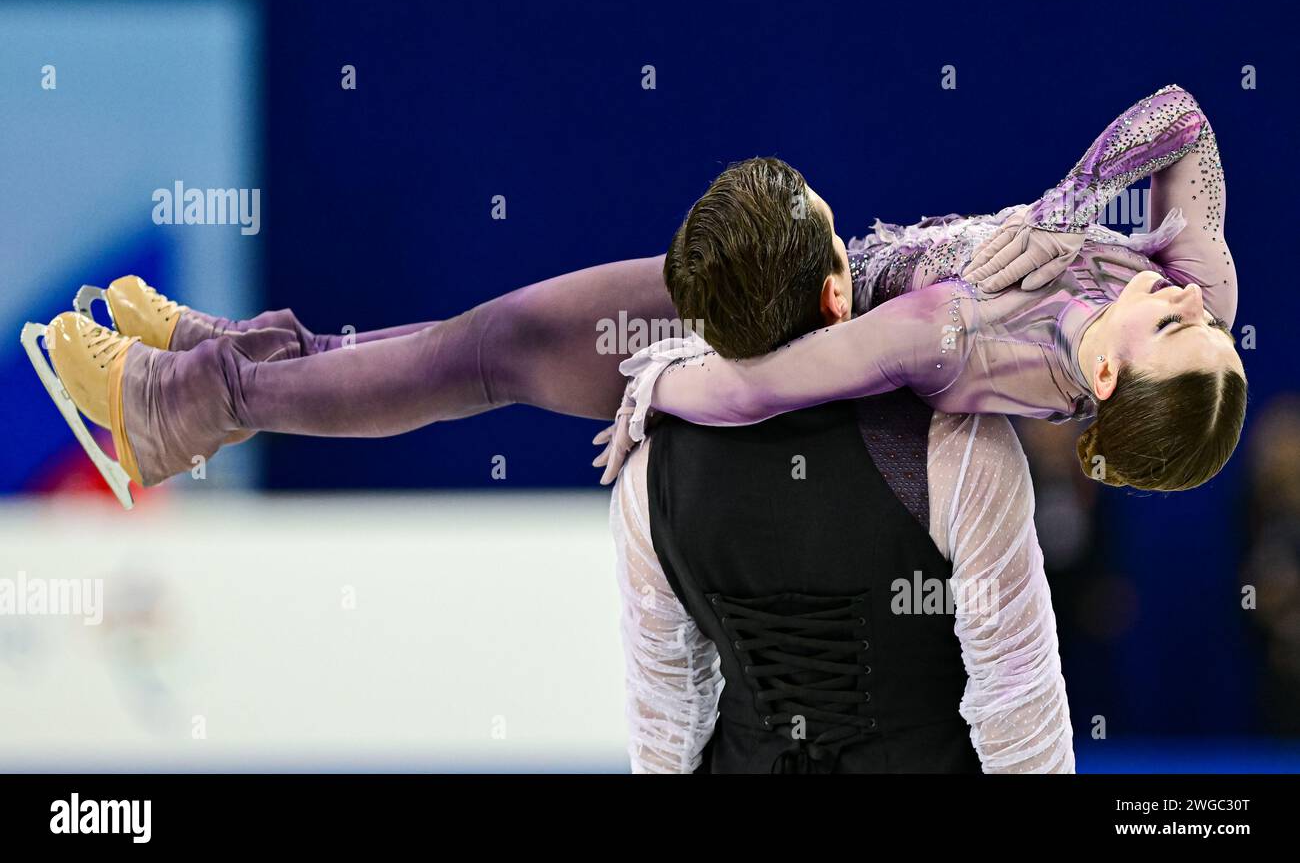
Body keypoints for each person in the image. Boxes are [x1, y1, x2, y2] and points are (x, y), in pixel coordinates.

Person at [26, 85, 1242, 506]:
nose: (1196, 308)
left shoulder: (963, 336)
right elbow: (1182, 114)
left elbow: (787, 378)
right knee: (479, 339)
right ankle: (230, 359)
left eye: (1183, 334)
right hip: (798, 273)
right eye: (1211, 328)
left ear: (1098, 383)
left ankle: (186, 405)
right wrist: (1094, 209)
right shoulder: (1176, 290)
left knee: (487, 357)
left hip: (768, 305)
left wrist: (662, 388)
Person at [608, 169, 1073, 772]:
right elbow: (1018, 710)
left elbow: (665, 722)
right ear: (835, 297)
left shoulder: (649, 475)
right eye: (840, 241)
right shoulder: (953, 445)